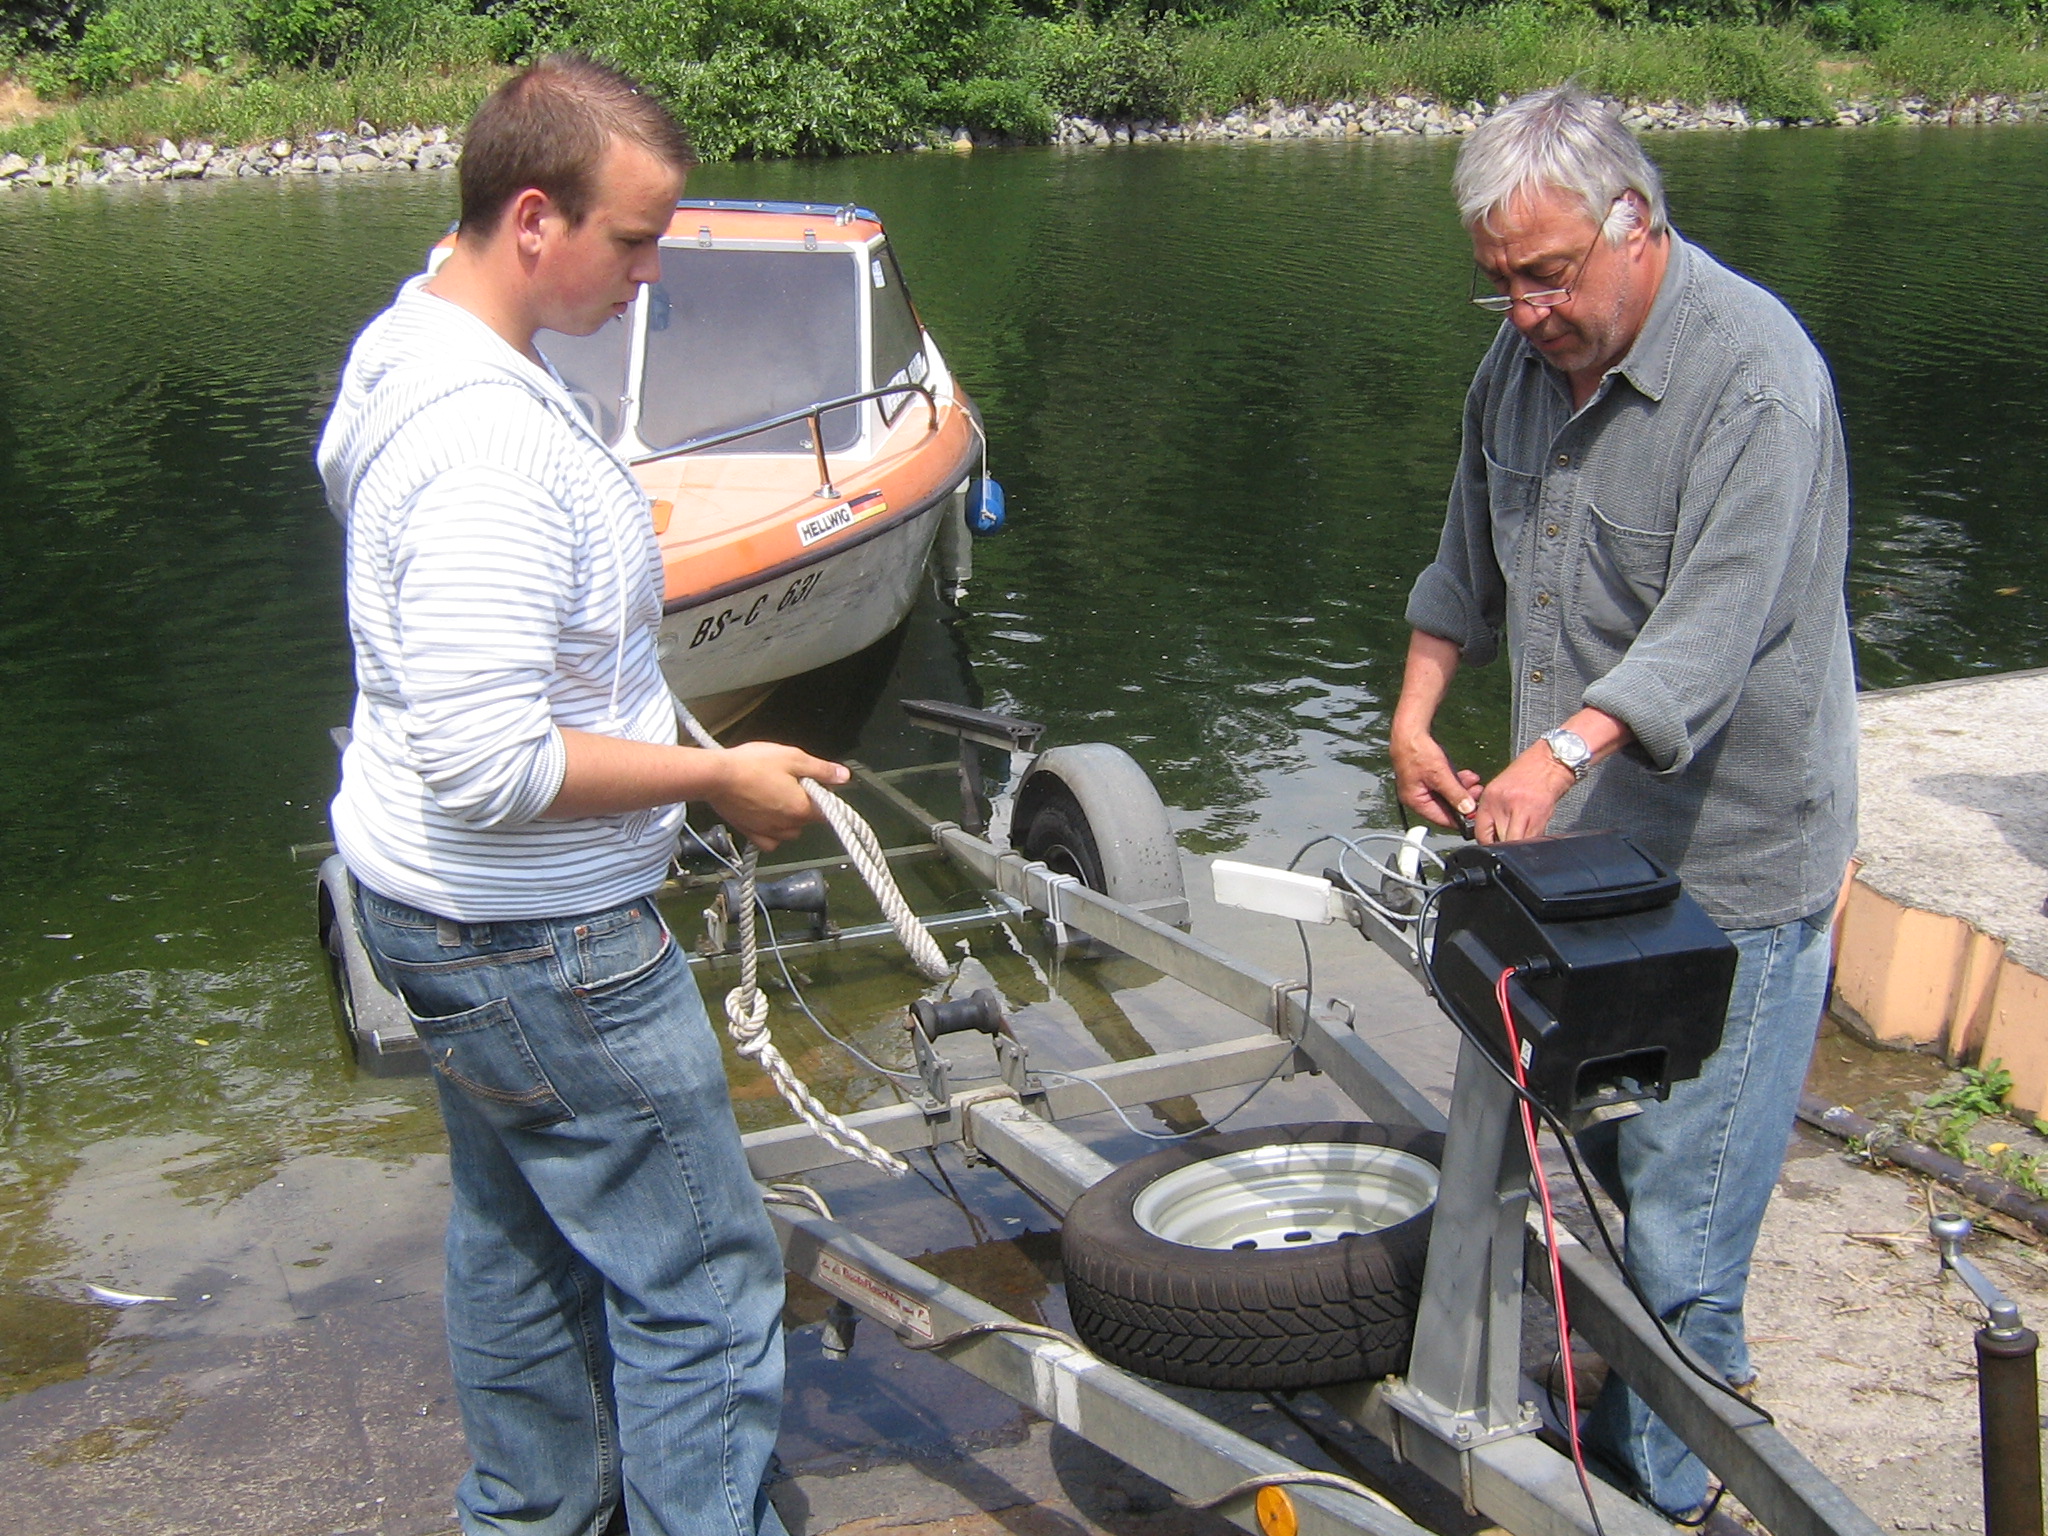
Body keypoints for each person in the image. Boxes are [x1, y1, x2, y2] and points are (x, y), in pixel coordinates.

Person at [318, 55, 845, 1536]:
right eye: (635, 239)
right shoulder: (485, 449)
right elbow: (489, 767)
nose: (654, 273)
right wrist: (717, 775)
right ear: (534, 218)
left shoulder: (419, 333)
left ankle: (529, 1517)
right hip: (539, 942)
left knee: (516, 1236)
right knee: (702, 1280)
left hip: (430, 917)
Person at [1390, 82, 1857, 1519]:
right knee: (1582, 1173)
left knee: (1682, 1238)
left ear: (1634, 225)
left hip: (1733, 870)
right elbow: (1466, 554)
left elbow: (1712, 633)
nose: (1526, 311)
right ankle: (1602, 1424)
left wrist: (1558, 754)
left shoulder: (1756, 379)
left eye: (1548, 275)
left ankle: (1678, 1496)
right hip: (1578, 869)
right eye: (1500, 286)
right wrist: (1417, 708)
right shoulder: (1518, 373)